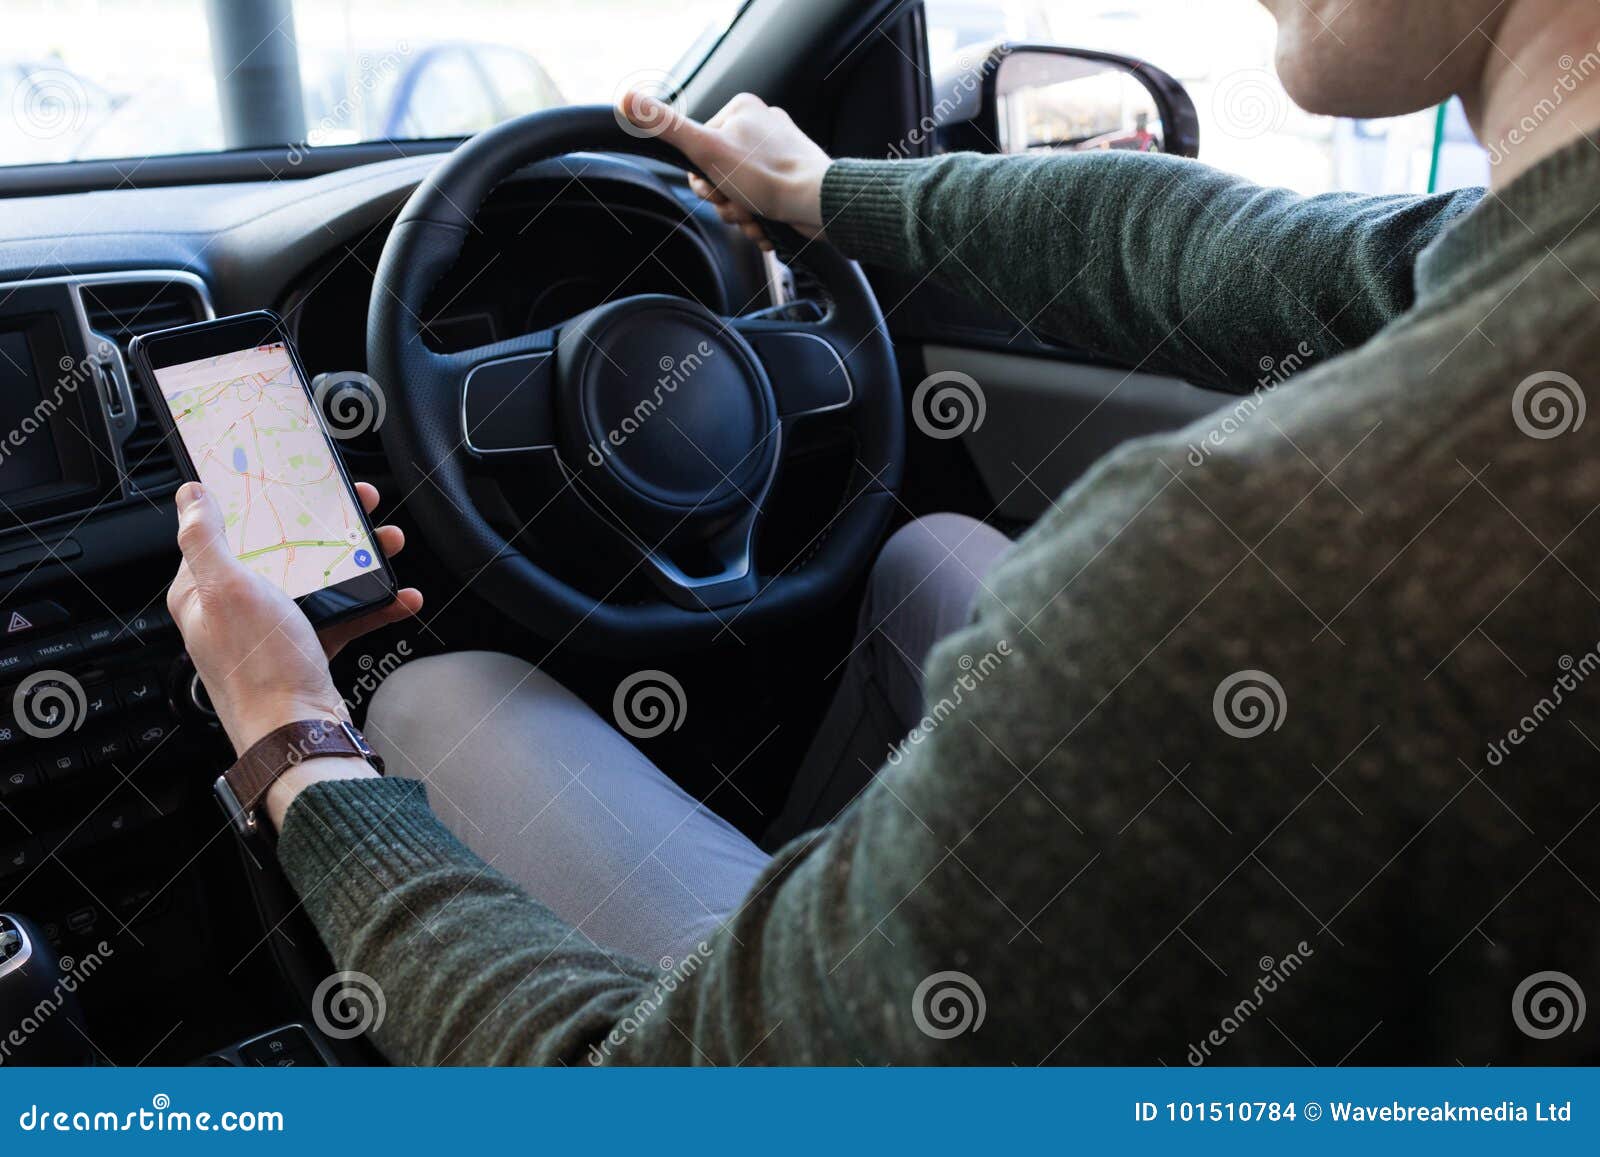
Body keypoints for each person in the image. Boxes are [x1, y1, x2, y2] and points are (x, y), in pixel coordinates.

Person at [172, 0, 1600, 1065]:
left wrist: (296, 732)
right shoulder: (1501, 274)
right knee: (931, 563)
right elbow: (1198, 248)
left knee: (433, 691)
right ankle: (836, 926)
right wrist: (818, 197)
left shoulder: (1237, 567)